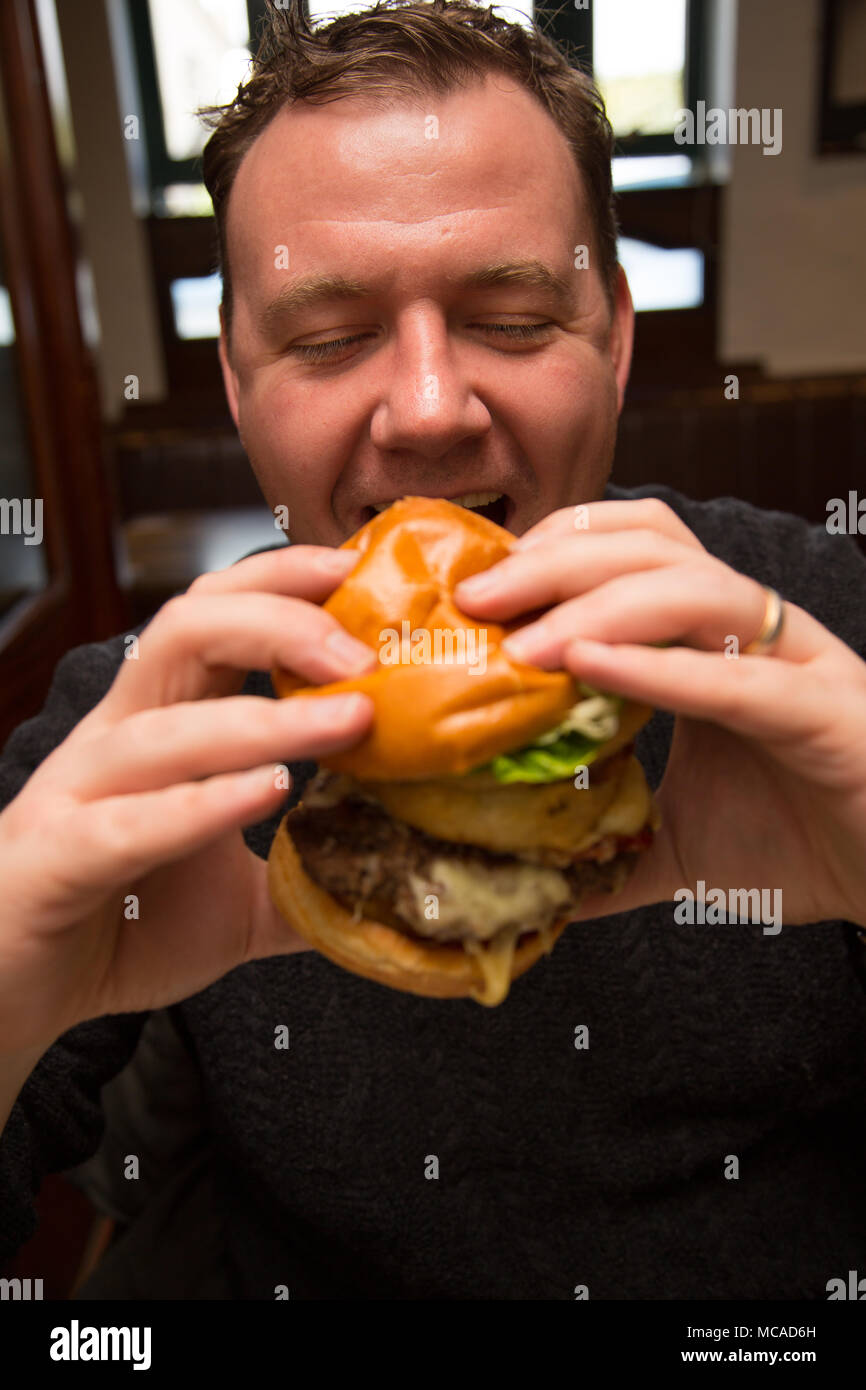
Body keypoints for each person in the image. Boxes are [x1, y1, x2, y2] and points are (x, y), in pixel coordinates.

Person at [2, 0, 866, 1300]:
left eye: (513, 317)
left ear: (615, 340)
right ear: (237, 383)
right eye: (330, 336)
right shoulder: (143, 725)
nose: (423, 410)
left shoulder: (812, 624)